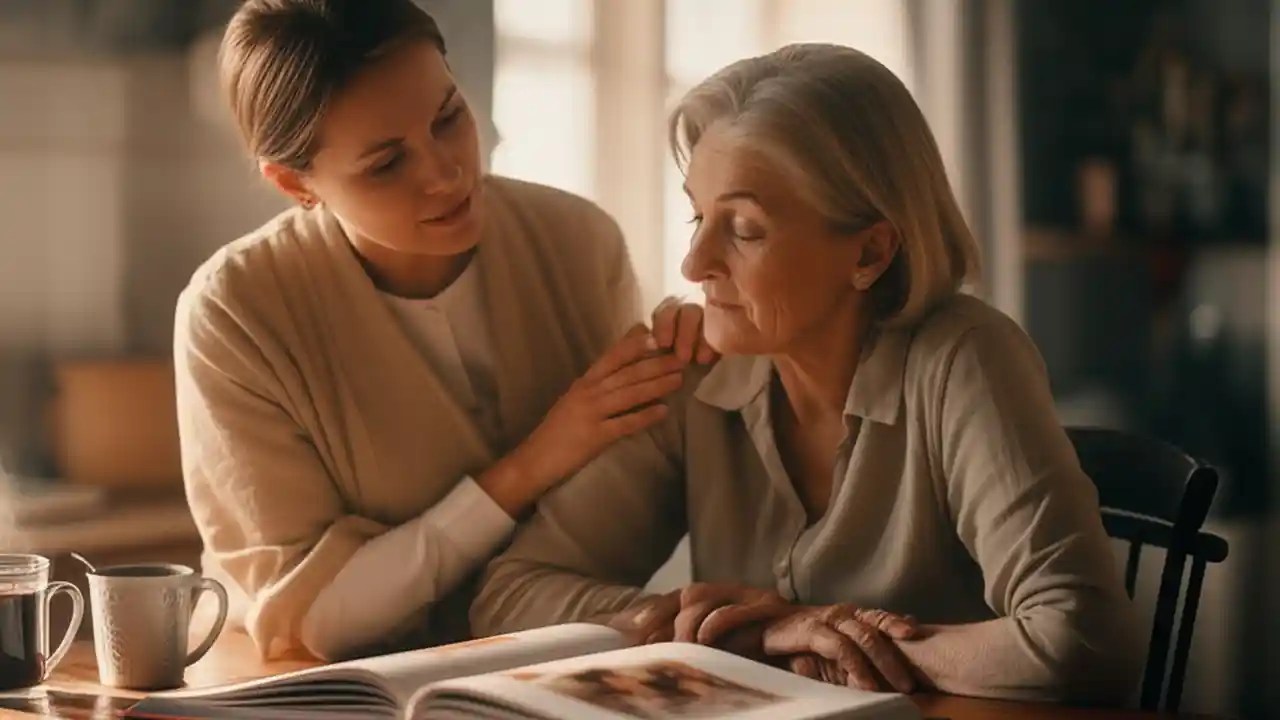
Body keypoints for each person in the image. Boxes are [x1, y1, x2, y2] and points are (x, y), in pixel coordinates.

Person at [470, 43, 1144, 704]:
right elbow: (510, 595)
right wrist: (739, 632)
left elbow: (1084, 642)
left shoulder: (964, 358)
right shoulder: (694, 370)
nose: (694, 263)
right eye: (698, 215)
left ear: (871, 252)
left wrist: (828, 644)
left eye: (744, 229)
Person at [175, 0, 710, 662]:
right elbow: (314, 619)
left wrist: (696, 345)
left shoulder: (576, 243)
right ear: (294, 183)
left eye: (449, 118)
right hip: (336, 687)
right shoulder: (236, 314)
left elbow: (617, 512)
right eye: (386, 164)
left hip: (554, 663)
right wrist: (531, 465)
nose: (446, 174)